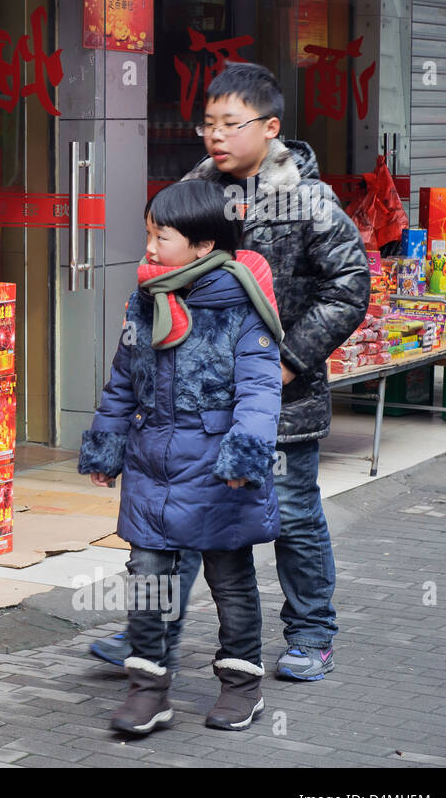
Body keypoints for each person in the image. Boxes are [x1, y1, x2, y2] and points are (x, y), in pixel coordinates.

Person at [87, 63, 371, 681]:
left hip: (279, 399)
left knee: (293, 513)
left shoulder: (308, 199)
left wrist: (288, 361)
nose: (215, 136)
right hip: (190, 405)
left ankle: (311, 634)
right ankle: (148, 637)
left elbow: (350, 287)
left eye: (230, 124)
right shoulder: (195, 191)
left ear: (270, 127)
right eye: (207, 124)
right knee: (175, 515)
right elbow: (160, 277)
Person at [78, 179, 283, 733]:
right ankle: (148, 689)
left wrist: (245, 459)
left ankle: (242, 685)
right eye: (148, 232)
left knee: (230, 580)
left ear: (202, 245)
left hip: (219, 474)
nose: (148, 247)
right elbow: (123, 381)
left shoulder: (243, 306)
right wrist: (106, 446)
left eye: (160, 235)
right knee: (146, 576)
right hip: (152, 467)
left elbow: (261, 393)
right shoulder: (144, 298)